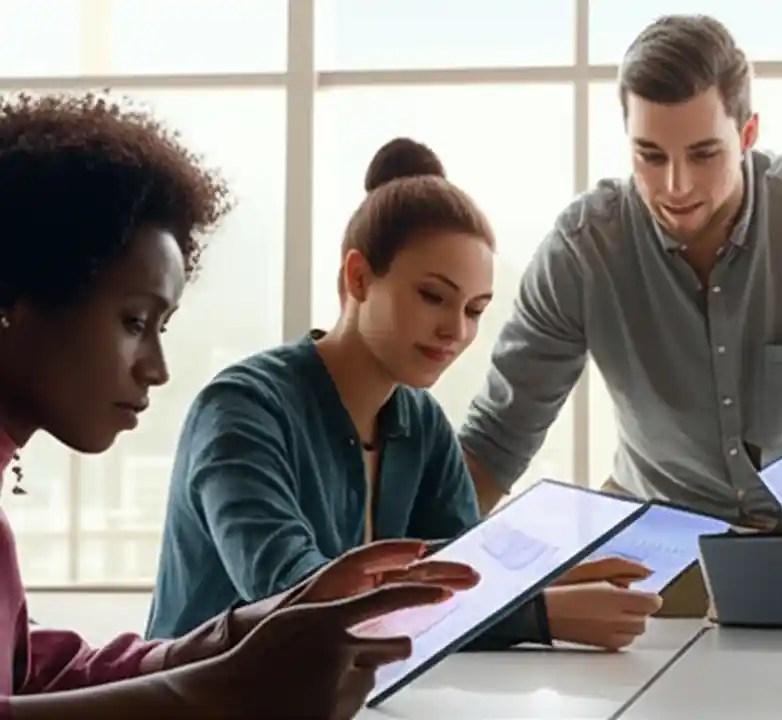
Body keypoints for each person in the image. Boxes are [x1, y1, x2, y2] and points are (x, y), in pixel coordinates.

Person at [0, 91, 477, 717]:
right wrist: (216, 692)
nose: (157, 368)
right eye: (133, 321)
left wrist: (252, 628)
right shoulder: (246, 405)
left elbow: (31, 672)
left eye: (162, 328)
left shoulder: (421, 421)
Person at [457, 15, 782, 615]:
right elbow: (496, 441)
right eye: (650, 156)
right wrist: (428, 591)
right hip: (657, 549)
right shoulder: (583, 249)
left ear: (748, 134)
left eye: (704, 155)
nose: (676, 186)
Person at [146, 137, 662, 653]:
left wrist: (545, 575)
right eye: (433, 297)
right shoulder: (242, 410)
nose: (455, 331)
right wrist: (536, 613)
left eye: (475, 310)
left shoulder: (421, 423)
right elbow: (293, 594)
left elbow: (466, 568)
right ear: (358, 277)